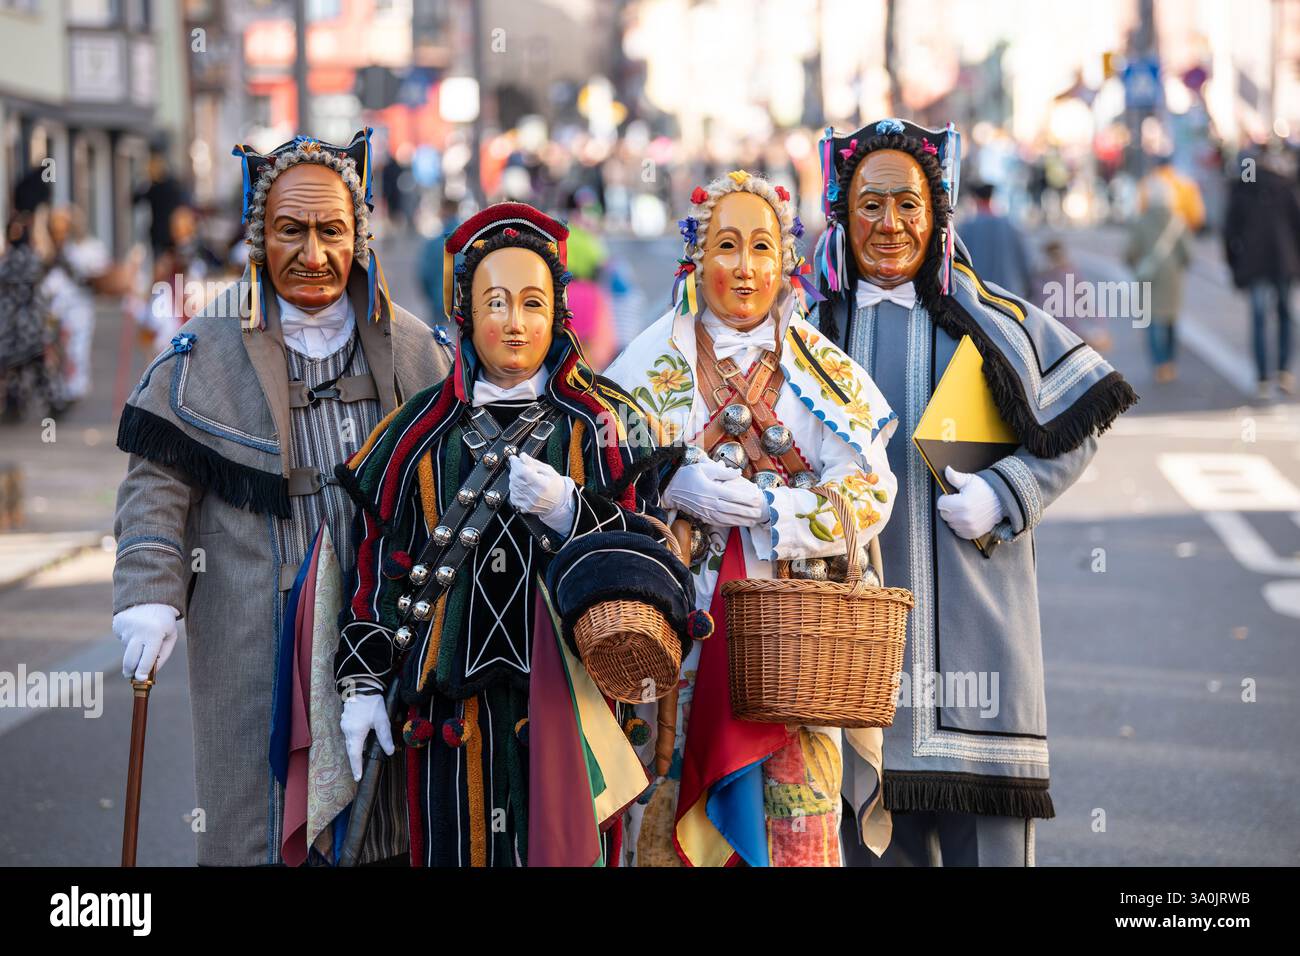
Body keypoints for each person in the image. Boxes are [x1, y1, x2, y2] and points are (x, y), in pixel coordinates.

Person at [111, 130, 450, 866]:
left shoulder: (416, 349)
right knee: (253, 827)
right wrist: (149, 590)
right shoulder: (205, 348)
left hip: (378, 632)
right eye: (290, 230)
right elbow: (156, 482)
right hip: (250, 638)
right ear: (258, 237)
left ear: (360, 235)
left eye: (332, 231)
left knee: (380, 825)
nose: (313, 253)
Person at [814, 118, 1137, 867]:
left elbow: (1081, 420)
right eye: (869, 205)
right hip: (850, 680)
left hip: (982, 666)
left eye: (909, 204)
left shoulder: (991, 322)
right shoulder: (807, 332)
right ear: (841, 213)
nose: (889, 224)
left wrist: (1007, 491)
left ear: (938, 214)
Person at [334, 201, 665, 866]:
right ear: (464, 311)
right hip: (447, 714)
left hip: (574, 700)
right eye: (496, 303)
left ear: (559, 313)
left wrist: (572, 511)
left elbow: (651, 551)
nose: (515, 322)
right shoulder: (414, 433)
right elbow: (377, 562)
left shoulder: (610, 423)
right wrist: (364, 682)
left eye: (533, 304)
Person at [605, 170, 898, 867]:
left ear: (786, 260)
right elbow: (603, 477)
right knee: (667, 815)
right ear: (696, 257)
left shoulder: (821, 369)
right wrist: (670, 484)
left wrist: (779, 510)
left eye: (762, 247)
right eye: (727, 245)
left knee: (800, 831)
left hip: (795, 646)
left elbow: (871, 491)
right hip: (676, 642)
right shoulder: (647, 365)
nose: (744, 267)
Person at [1223, 141, 1300, 398]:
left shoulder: (1242, 189)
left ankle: (1262, 377)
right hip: (1283, 261)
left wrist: (1234, 265)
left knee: (1259, 317)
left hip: (1254, 263)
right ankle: (1283, 371)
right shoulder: (1284, 184)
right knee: (1285, 314)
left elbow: (1229, 231)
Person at [41, 205, 134, 404]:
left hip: (80, 306)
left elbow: (103, 274)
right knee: (56, 347)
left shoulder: (90, 248)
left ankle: (75, 387)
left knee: (77, 346)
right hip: (56, 307)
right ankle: (61, 386)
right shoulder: (56, 252)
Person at [1125, 179, 1192, 383]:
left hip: (1148, 277)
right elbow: (1187, 254)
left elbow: (1130, 252)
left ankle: (1159, 364)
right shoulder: (1178, 221)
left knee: (1152, 320)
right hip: (1172, 278)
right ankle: (1170, 362)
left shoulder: (1141, 222)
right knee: (1171, 320)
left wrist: (1138, 266)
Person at [0, 212, 63, 421]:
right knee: (38, 368)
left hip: (14, 327)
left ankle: (15, 406)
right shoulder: (32, 259)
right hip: (31, 326)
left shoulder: (9, 261)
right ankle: (53, 403)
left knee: (16, 370)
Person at [959, 182, 1034, 299]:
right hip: (1008, 294)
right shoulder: (1010, 226)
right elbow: (1024, 259)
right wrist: (1028, 285)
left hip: (977, 294)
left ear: (976, 200)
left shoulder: (967, 227)